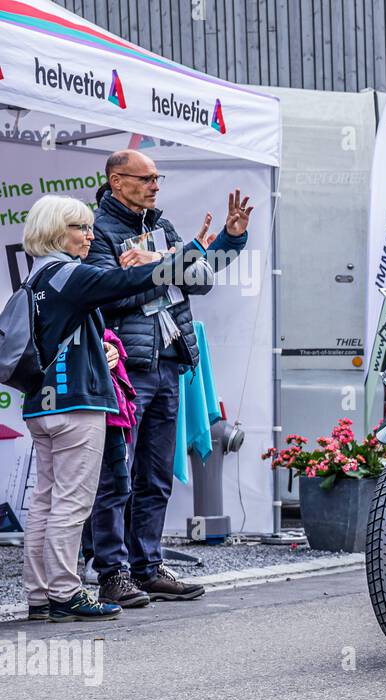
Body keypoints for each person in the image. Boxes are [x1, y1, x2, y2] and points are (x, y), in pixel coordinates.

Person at [19, 195, 207, 622]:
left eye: (88, 227)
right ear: (55, 232)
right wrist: (189, 253)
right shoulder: (70, 274)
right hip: (77, 402)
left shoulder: (36, 279)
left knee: (46, 501)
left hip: (41, 405)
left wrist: (100, 347)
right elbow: (130, 282)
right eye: (79, 228)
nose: (88, 236)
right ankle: (67, 592)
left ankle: (39, 594)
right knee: (71, 503)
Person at [84, 150, 250, 605]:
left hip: (169, 361)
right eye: (147, 178)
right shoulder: (98, 230)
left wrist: (228, 243)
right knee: (117, 474)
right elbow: (110, 295)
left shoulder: (159, 224)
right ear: (117, 181)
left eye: (159, 177)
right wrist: (171, 264)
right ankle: (112, 573)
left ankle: (148, 566)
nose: (156, 185)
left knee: (155, 475)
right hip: (127, 368)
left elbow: (199, 280)